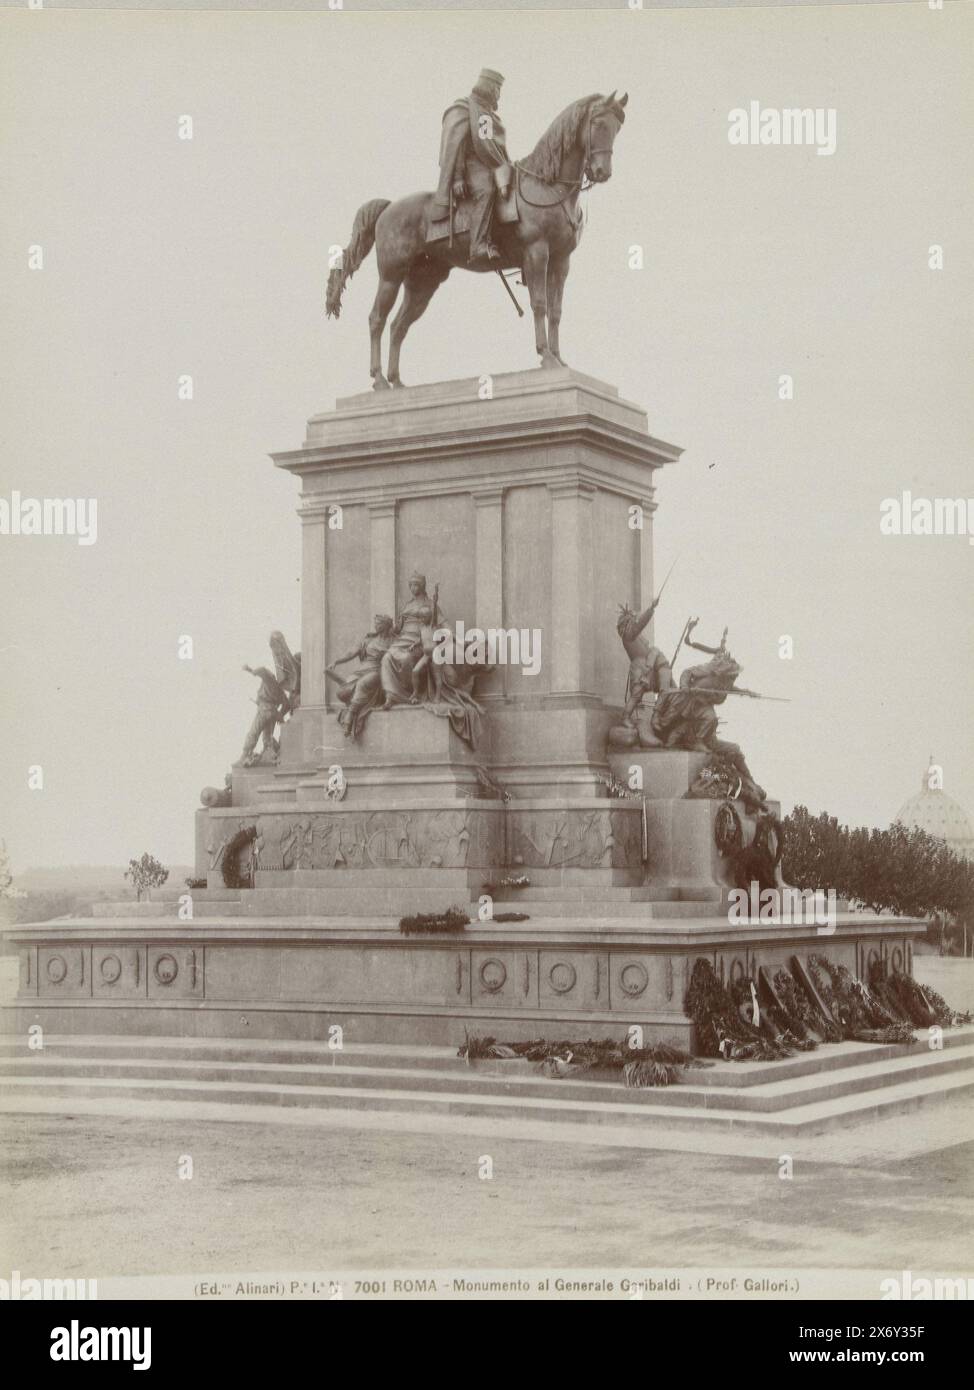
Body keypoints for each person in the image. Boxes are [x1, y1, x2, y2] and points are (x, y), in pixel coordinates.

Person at [431, 68, 511, 262]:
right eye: (497, 89)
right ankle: (478, 245)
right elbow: (455, 146)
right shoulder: (465, 109)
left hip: (492, 165)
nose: (498, 94)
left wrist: (504, 167)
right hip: (470, 166)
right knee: (487, 190)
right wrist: (458, 176)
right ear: (488, 87)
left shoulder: (485, 113)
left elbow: (491, 146)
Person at [328, 615, 395, 740]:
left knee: (362, 684)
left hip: (378, 672)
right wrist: (337, 662)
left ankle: (350, 715)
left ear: (386, 625)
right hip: (361, 671)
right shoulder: (368, 640)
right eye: (375, 623)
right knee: (342, 692)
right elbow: (351, 653)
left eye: (379, 623)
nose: (376, 626)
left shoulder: (392, 641)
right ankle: (355, 707)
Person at [617, 600, 674, 722]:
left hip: (648, 666)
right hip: (640, 667)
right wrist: (651, 608)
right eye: (632, 619)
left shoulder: (634, 635)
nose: (635, 620)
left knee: (662, 689)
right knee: (636, 695)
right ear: (627, 622)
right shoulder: (628, 634)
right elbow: (640, 624)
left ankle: (664, 714)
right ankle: (625, 717)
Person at [240, 664, 287, 766]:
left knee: (254, 732)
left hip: (264, 709)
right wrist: (279, 714)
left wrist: (250, 670)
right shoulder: (279, 689)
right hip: (273, 712)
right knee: (267, 737)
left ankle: (245, 754)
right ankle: (273, 752)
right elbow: (286, 704)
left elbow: (262, 670)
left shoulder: (269, 679)